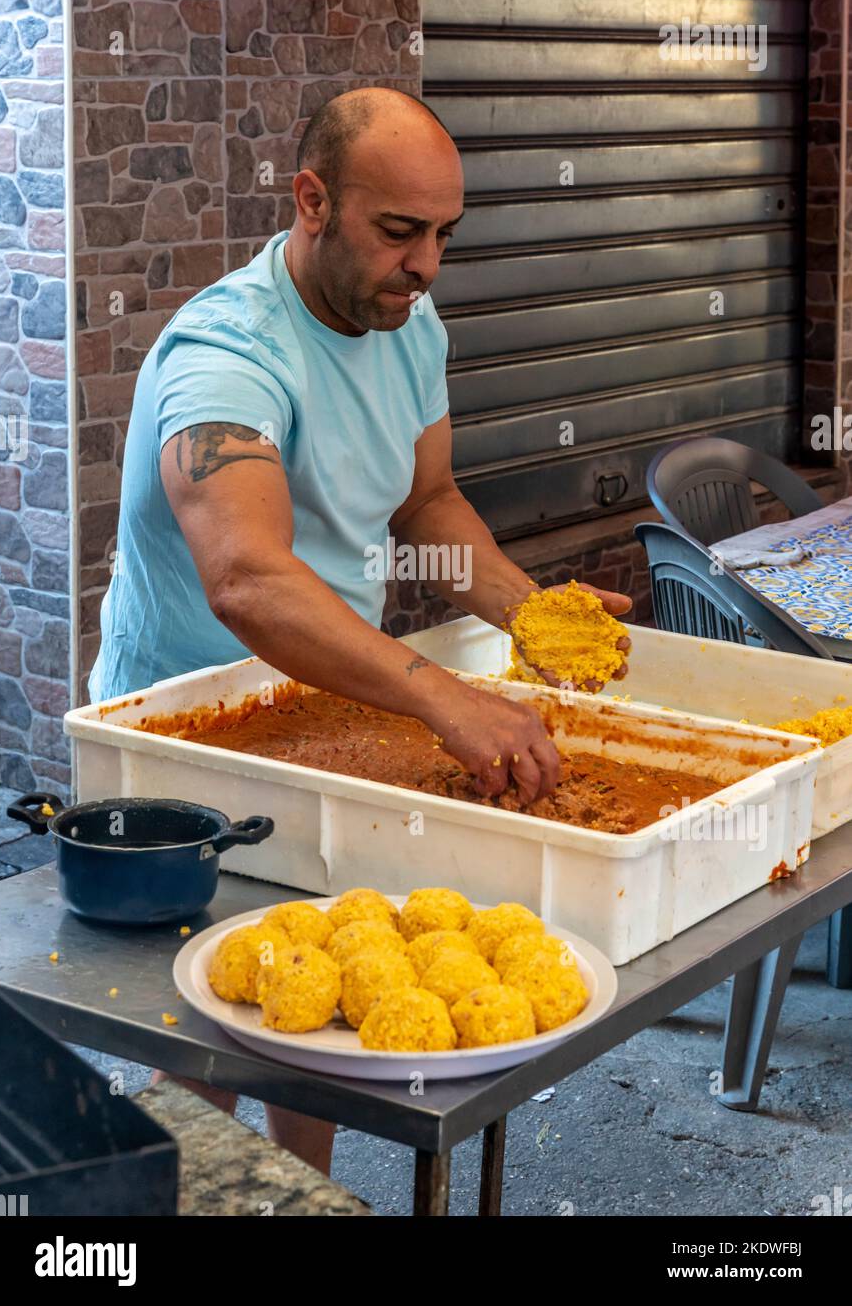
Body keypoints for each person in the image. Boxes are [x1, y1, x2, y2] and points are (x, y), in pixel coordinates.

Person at [88, 87, 631, 1175]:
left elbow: (427, 502)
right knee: (208, 1033)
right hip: (189, 738)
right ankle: (164, 1211)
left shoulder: (406, 322)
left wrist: (529, 611)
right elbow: (248, 578)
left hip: (331, 713)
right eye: (399, 232)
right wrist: (444, 695)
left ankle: (306, 1196)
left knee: (330, 993)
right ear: (312, 200)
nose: (426, 263)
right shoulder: (225, 357)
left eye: (443, 235)